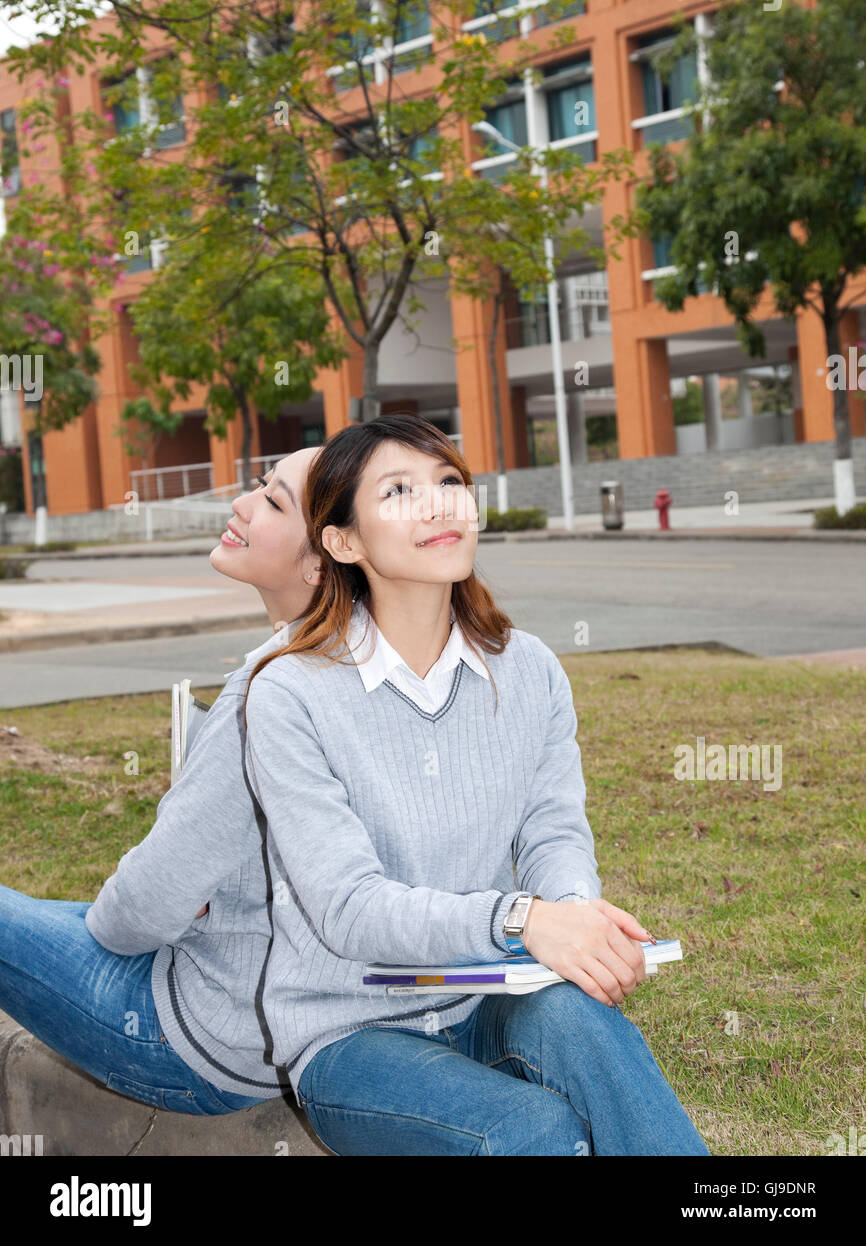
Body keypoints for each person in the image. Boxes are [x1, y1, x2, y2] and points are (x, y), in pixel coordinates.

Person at [234, 413, 711, 1156]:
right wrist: (522, 918)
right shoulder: (291, 694)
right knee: (534, 1132)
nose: (440, 505)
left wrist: (575, 919)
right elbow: (348, 909)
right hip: (351, 1031)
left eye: (449, 483)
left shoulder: (528, 669)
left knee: (583, 1022)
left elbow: (552, 830)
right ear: (343, 541)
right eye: (399, 490)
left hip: (489, 996)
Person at [0, 445, 326, 1116]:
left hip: (211, 1049)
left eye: (271, 501)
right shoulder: (372, 666)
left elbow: (139, 915)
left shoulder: (265, 694)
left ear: (323, 560)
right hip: (303, 1018)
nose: (239, 503)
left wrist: (160, 892)